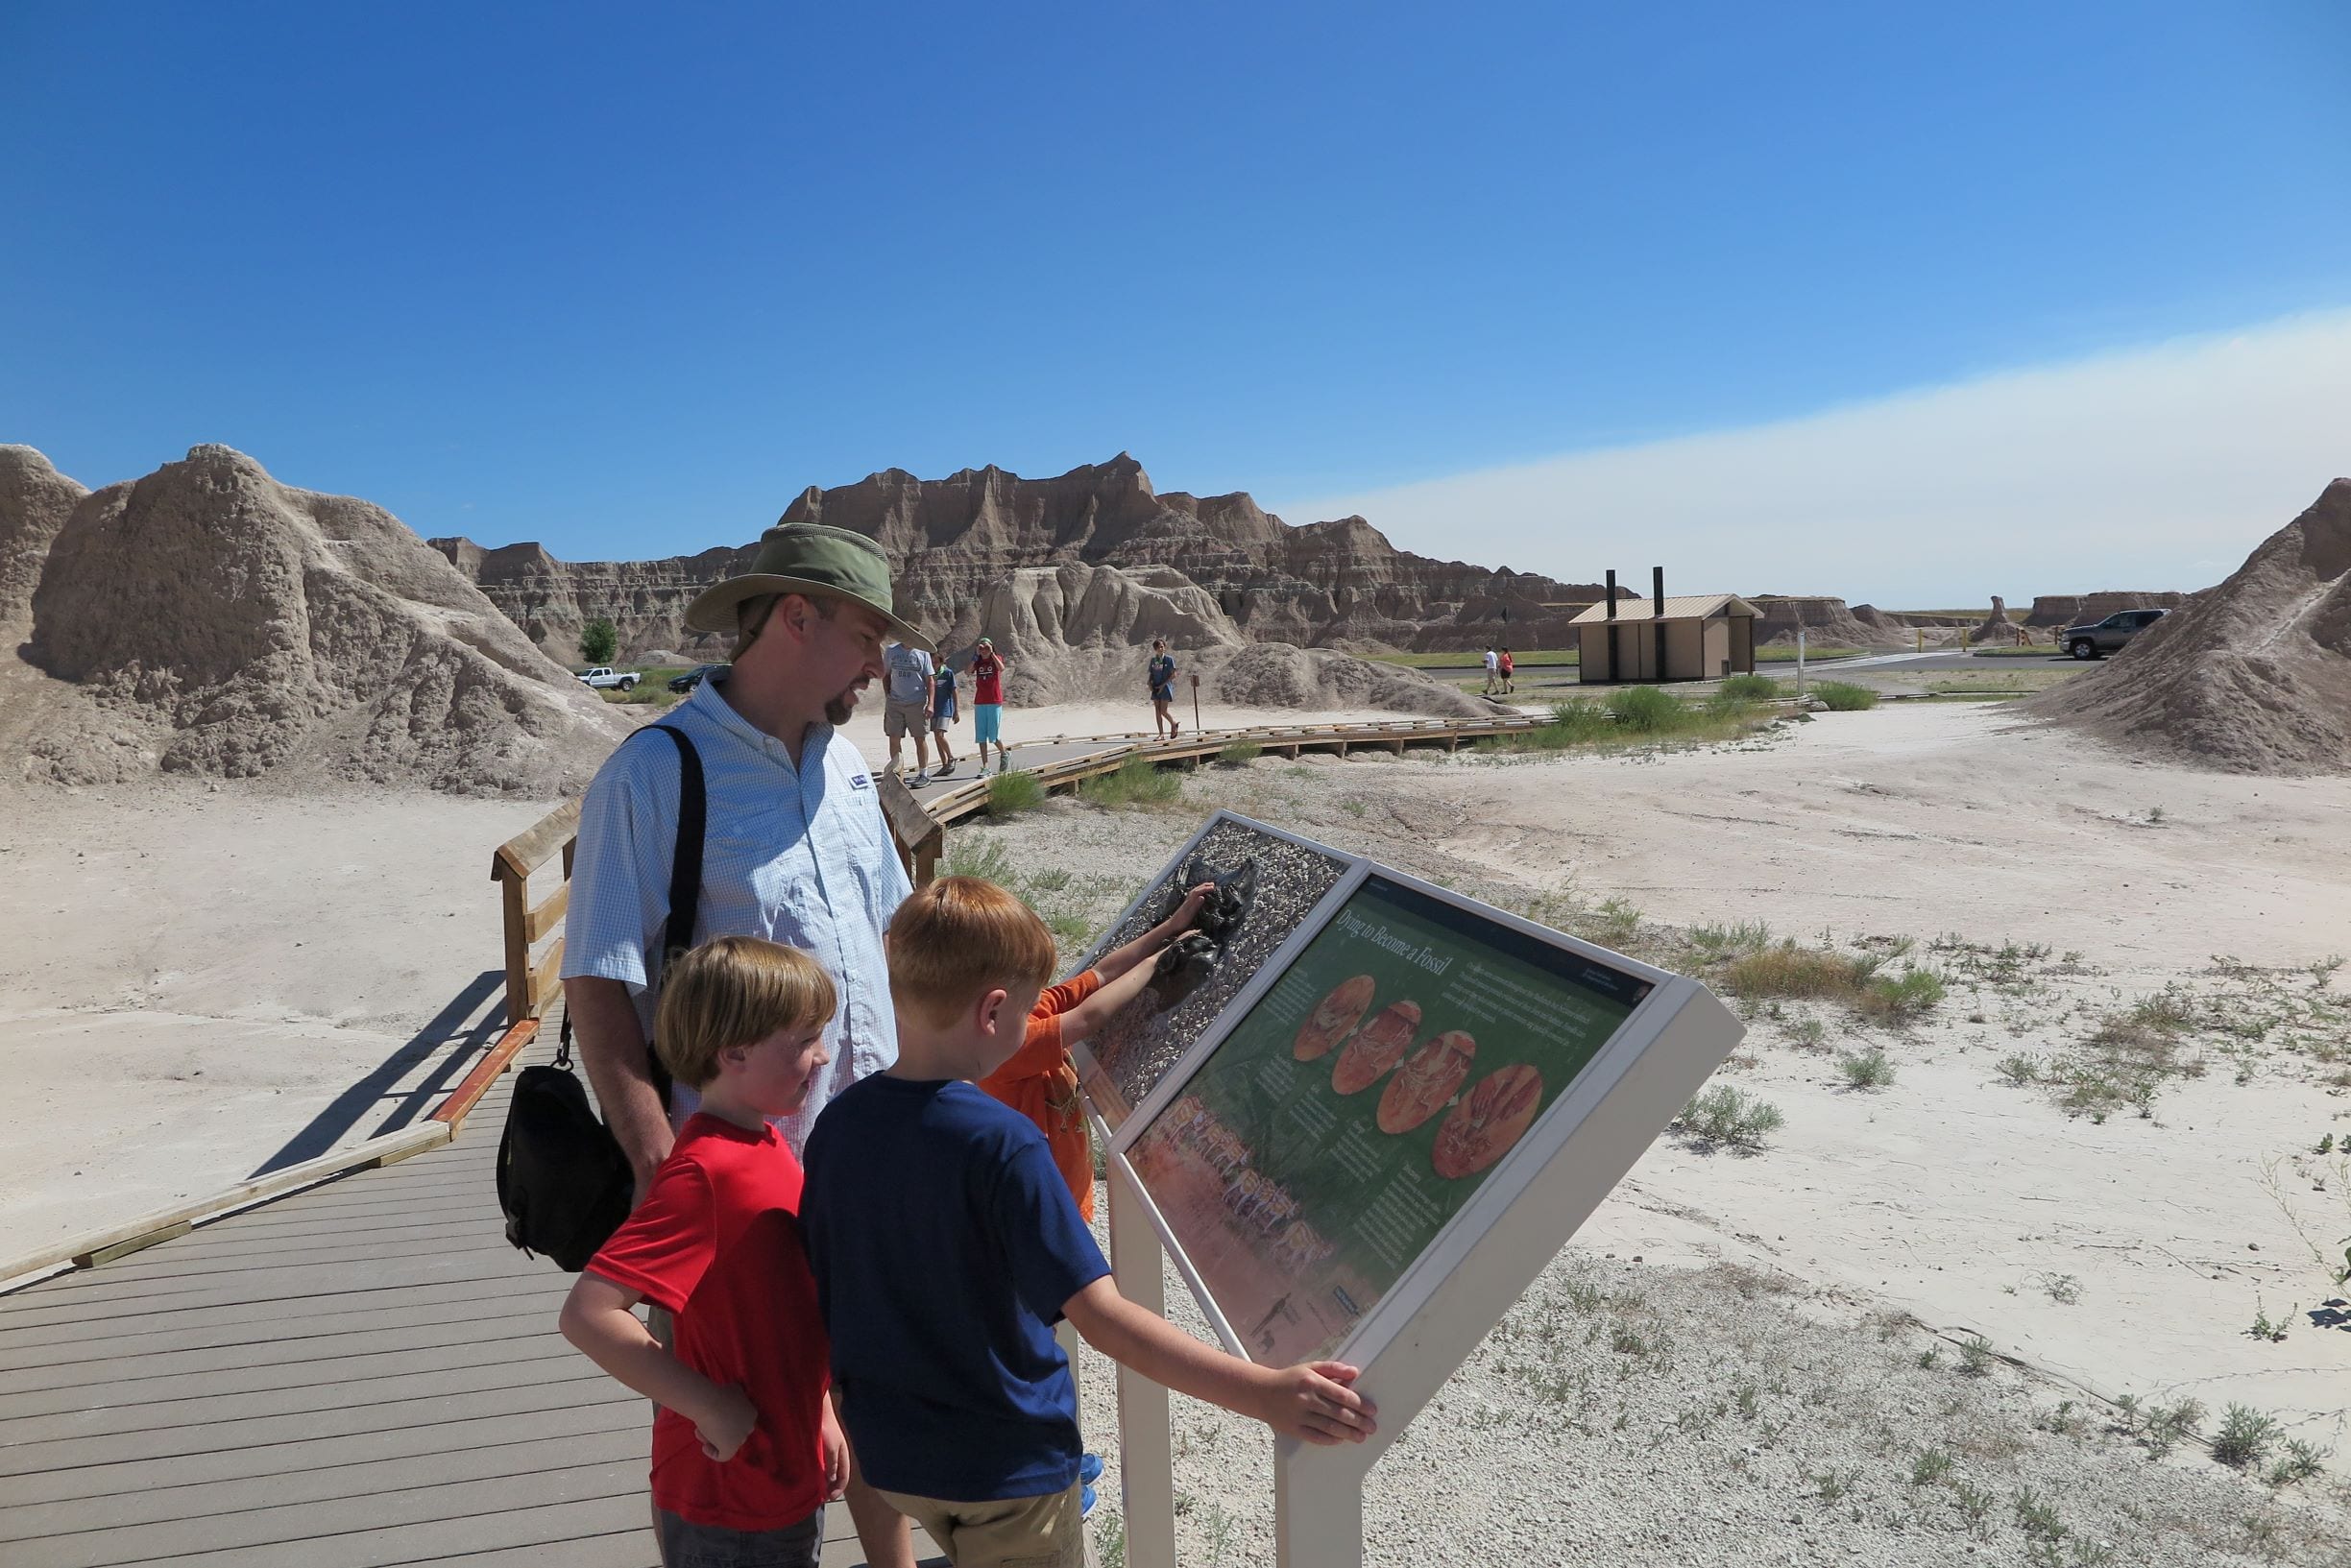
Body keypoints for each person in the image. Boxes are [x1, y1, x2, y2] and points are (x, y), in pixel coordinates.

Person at [802, 879, 1376, 1568]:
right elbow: (1103, 1320)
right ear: (993, 1011)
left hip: (891, 1457)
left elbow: (829, 1294)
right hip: (1007, 1474)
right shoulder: (1004, 1144)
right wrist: (1264, 1392)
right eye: (1024, 1010)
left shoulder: (837, 1125)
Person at [562, 519, 928, 1568]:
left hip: (859, 1182)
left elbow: (895, 944)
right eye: (866, 636)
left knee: (863, 1403)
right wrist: (658, 1165)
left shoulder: (847, 770)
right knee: (735, 1454)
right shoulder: (656, 773)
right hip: (736, 1207)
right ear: (795, 618)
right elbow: (599, 980)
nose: (878, 664)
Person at [559, 937, 847, 1568]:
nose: (823, 1054)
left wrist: (819, 1406)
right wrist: (709, 1405)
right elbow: (588, 1314)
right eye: (806, 1039)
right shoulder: (705, 1173)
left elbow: (788, 1304)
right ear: (734, 1052)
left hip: (783, 1467)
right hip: (729, 1500)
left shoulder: (766, 1143)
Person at [980, 879, 1215, 1510]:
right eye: (1030, 987)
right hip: (1031, 1229)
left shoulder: (1021, 1014)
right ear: (992, 1002)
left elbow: (1098, 975)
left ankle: (1054, 1451)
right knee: (1032, 1356)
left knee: (1046, 1347)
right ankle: (1048, 1474)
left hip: (1058, 1213)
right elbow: (1087, 1015)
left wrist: (1170, 929)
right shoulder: (1007, 1045)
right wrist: (1164, 965)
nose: (1044, 995)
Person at [882, 637, 935, 784]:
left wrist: (930, 703)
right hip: (895, 702)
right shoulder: (891, 651)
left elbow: (930, 680)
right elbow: (886, 675)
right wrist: (888, 695)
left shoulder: (923, 653)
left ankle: (923, 774)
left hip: (916, 702)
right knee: (894, 737)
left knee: (919, 737)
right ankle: (897, 774)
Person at [969, 636, 1011, 774]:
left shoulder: (996, 658)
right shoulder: (978, 661)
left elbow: (1001, 668)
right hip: (980, 701)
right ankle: (985, 766)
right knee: (981, 736)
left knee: (993, 735)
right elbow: (967, 672)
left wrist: (992, 653)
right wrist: (976, 656)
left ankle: (1004, 753)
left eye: (986, 647)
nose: (984, 650)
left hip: (994, 701)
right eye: (982, 648)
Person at [929, 658, 960, 778]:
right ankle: (944, 764)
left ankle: (951, 757)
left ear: (941, 663)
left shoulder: (947, 673)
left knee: (939, 734)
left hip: (945, 708)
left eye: (936, 662)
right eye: (932, 662)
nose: (933, 664)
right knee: (937, 737)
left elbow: (954, 691)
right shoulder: (930, 674)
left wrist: (956, 710)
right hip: (934, 709)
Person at [1147, 639, 1178, 739]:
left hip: (1165, 687)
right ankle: (1161, 734)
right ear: (1155, 649)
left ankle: (1173, 723)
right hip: (1156, 686)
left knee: (1163, 711)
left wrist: (1163, 685)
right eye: (1158, 647)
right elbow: (1152, 673)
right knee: (1157, 710)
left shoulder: (1169, 659)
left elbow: (1174, 675)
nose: (1160, 649)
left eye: (1162, 647)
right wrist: (1149, 682)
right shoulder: (1154, 660)